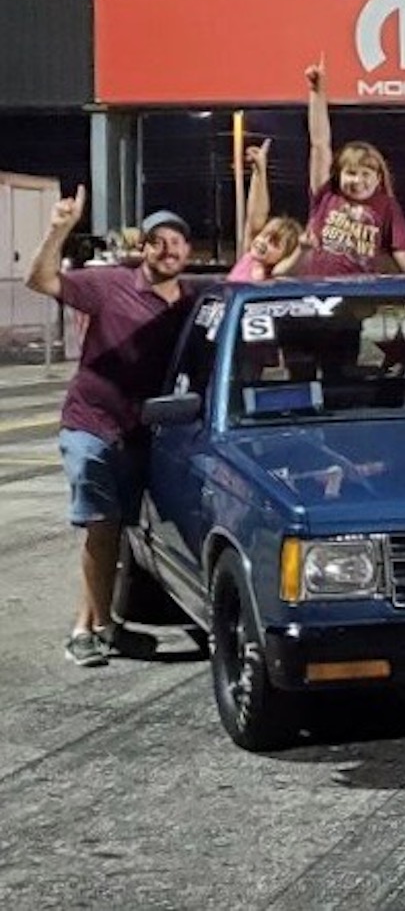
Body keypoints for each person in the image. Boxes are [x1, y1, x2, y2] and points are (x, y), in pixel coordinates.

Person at [29, 191, 210, 666]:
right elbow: (40, 279)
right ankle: (84, 629)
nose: (168, 249)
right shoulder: (109, 285)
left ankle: (103, 624)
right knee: (102, 524)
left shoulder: (192, 304)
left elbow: (253, 272)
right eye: (158, 241)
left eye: (177, 241)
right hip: (92, 424)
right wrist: (59, 228)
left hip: (143, 434)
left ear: (188, 251)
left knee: (118, 530)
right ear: (143, 248)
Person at [297, 59, 405, 276]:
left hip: (359, 292)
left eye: (366, 174)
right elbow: (319, 144)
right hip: (318, 285)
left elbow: (401, 250)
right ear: (339, 175)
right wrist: (317, 93)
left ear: (379, 179)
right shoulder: (325, 196)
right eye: (351, 173)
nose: (358, 181)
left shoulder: (387, 206)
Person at [229, 139, 303, 282]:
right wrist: (259, 171)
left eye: (274, 243)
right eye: (264, 235)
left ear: (284, 256)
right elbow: (256, 214)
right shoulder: (248, 258)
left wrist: (303, 249)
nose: (263, 242)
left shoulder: (274, 276)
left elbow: (286, 268)